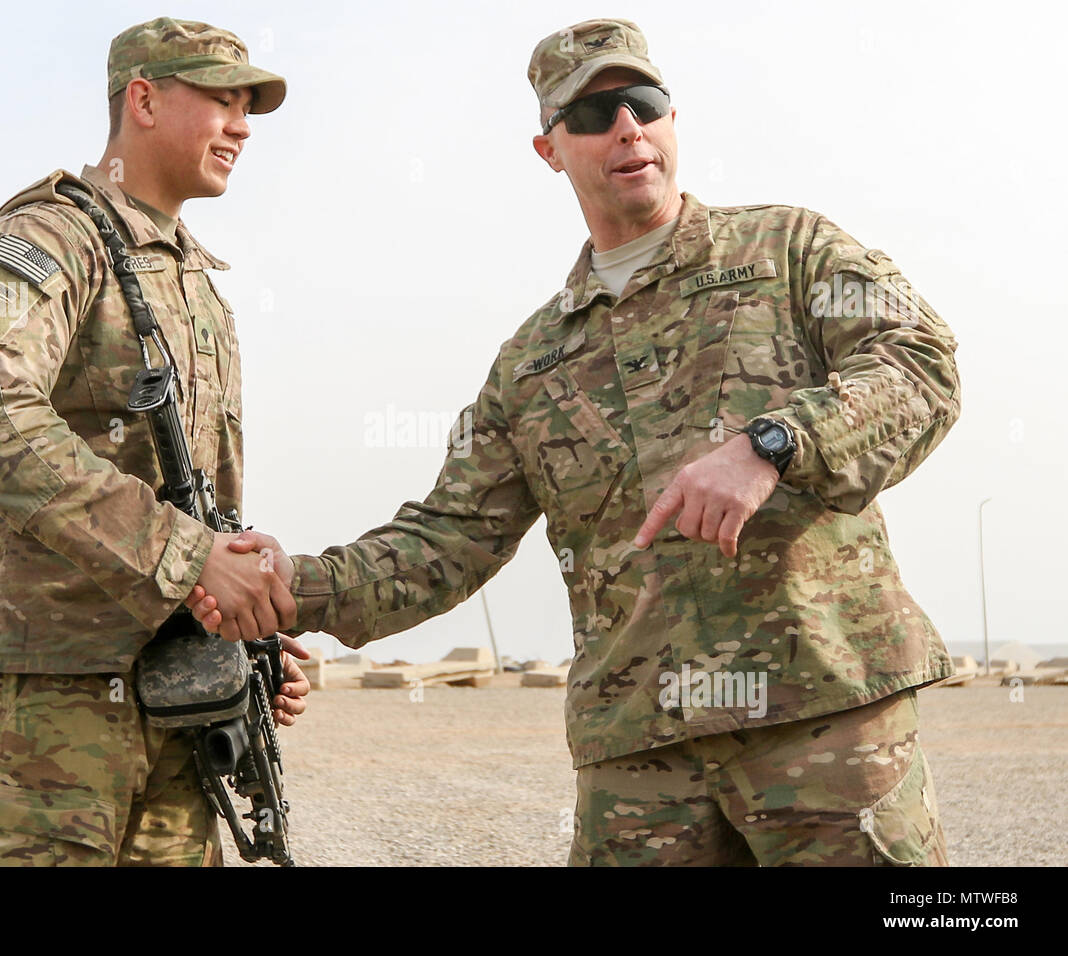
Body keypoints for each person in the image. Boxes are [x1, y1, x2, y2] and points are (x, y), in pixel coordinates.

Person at [193, 18, 960, 866]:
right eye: (593, 114)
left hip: (824, 725)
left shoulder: (789, 249)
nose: (626, 128)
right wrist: (289, 584)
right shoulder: (531, 363)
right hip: (638, 758)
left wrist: (775, 443)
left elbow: (919, 364)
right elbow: (447, 538)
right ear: (549, 148)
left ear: (671, 118)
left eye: (644, 103)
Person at [0, 16, 305, 867]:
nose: (242, 126)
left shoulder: (196, 283)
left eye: (248, 105)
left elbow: (203, 504)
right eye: (222, 99)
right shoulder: (50, 242)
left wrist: (241, 627)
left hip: (182, 716)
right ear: (143, 98)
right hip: (49, 720)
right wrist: (188, 558)